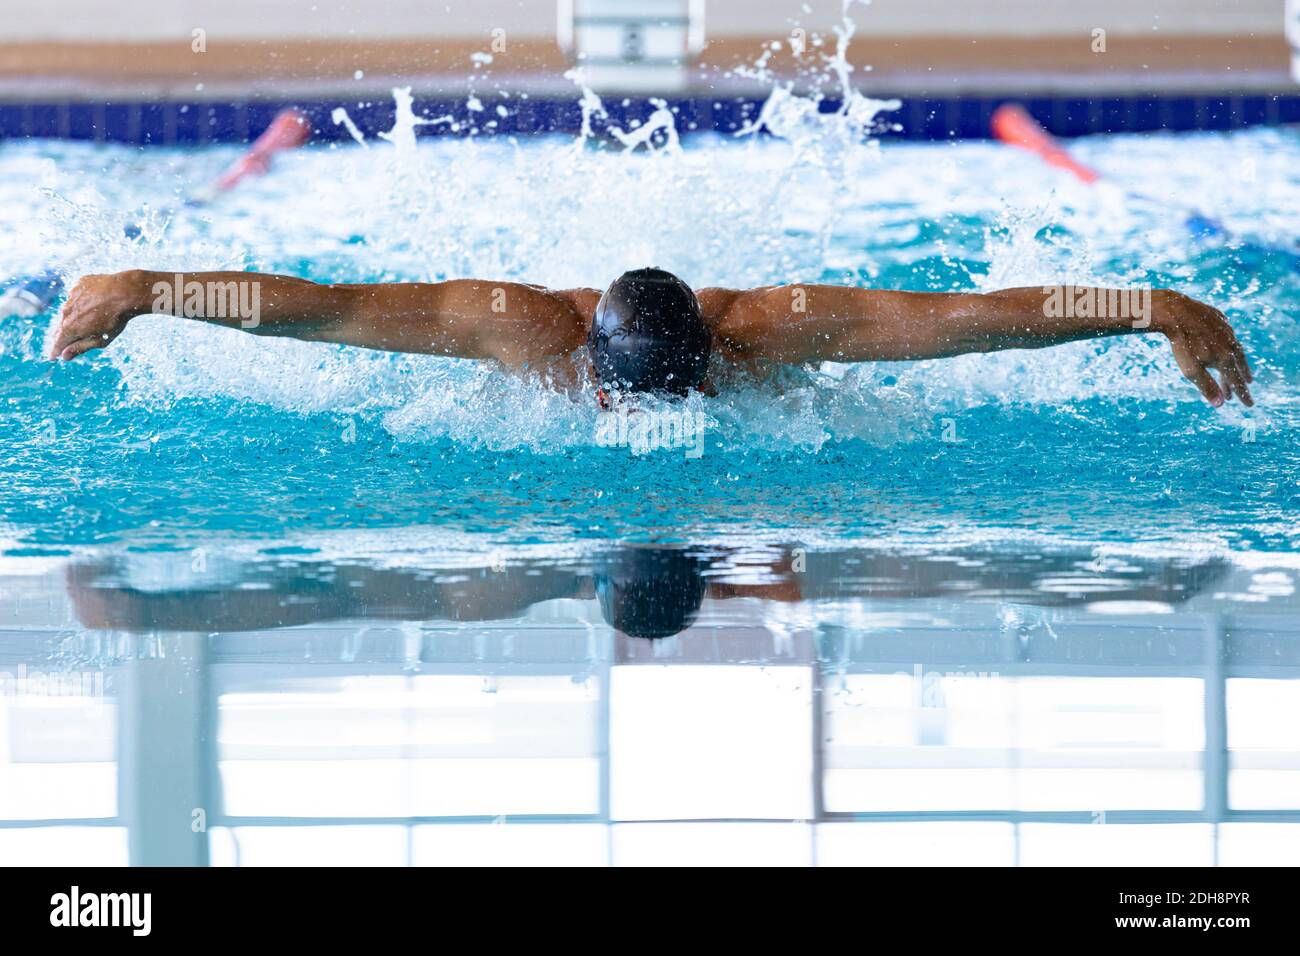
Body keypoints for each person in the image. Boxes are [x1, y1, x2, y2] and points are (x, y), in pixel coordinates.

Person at [49, 266, 1254, 406]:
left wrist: (1146, 304)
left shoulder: (773, 332)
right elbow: (326, 310)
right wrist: (150, 286)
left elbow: (973, 325)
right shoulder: (521, 333)